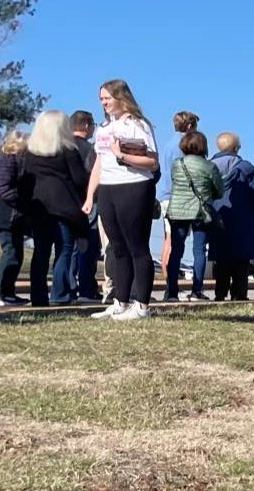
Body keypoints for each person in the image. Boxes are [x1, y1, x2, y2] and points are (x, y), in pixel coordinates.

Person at [82, 80, 160, 320]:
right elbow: (99, 163)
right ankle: (121, 302)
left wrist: (122, 155)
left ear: (121, 97)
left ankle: (142, 306)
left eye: (107, 98)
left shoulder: (138, 124)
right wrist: (90, 195)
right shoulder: (104, 128)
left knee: (137, 246)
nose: (103, 103)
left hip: (134, 187)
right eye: (101, 99)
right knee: (117, 248)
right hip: (108, 189)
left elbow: (152, 161)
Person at [19, 110, 90, 307]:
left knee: (41, 251)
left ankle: (38, 296)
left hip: (38, 207)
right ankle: (59, 294)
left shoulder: (30, 153)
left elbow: (24, 180)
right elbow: (79, 179)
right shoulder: (68, 150)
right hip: (63, 206)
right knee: (64, 250)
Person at [163, 129, 223, 302]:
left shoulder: (177, 164)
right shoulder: (209, 166)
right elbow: (219, 190)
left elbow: (174, 183)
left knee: (176, 250)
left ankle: (172, 291)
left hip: (178, 210)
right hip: (200, 211)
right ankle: (197, 290)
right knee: (199, 250)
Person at [208, 133, 254, 302]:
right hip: (243, 219)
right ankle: (239, 293)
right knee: (241, 259)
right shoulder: (246, 168)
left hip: (218, 215)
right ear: (236, 148)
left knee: (221, 258)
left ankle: (220, 293)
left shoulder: (209, 167)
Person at [0, 128, 30, 306]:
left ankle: (8, 292)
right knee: (11, 252)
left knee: (15, 252)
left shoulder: (8, 162)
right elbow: (3, 189)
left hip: (8, 215)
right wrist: (22, 201)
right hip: (4, 215)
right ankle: (1, 292)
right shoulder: (8, 162)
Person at [68, 110, 104, 303]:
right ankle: (86, 287)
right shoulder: (90, 150)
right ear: (86, 126)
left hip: (68, 201)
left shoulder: (63, 147)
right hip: (88, 201)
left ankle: (68, 285)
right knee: (88, 246)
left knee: (68, 247)